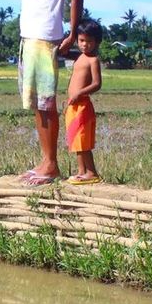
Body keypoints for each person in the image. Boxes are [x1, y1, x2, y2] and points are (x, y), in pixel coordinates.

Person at [3, 0, 84, 186]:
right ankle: (46, 159)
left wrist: (71, 33)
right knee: (37, 103)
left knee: (47, 102)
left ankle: (51, 164)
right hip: (29, 36)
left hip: (46, 36)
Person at [63, 19, 103, 185]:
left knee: (83, 140)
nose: (85, 45)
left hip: (83, 105)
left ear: (96, 42)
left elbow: (97, 84)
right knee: (75, 139)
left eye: (89, 41)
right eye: (81, 41)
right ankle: (81, 171)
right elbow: (61, 50)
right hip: (73, 105)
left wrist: (80, 93)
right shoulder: (79, 57)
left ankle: (91, 172)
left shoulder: (93, 60)